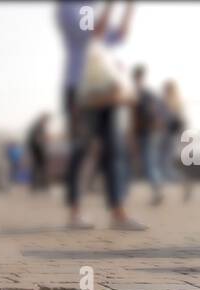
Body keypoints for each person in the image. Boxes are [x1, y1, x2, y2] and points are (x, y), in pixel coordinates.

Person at [58, 1, 145, 230]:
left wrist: (128, 9)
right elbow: (95, 32)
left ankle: (118, 213)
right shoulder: (69, 8)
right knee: (82, 148)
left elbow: (117, 36)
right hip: (80, 87)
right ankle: (75, 212)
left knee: (114, 148)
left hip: (106, 89)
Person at [131, 65, 163, 205]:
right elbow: (156, 113)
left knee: (149, 163)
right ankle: (157, 187)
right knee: (150, 162)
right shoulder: (148, 93)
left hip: (144, 132)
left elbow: (133, 117)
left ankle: (157, 189)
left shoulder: (135, 93)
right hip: (150, 131)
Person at [27, 113, 51, 191]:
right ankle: (40, 186)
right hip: (38, 149)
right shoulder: (39, 126)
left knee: (39, 168)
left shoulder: (38, 126)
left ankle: (39, 186)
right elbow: (38, 139)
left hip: (37, 148)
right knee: (40, 168)